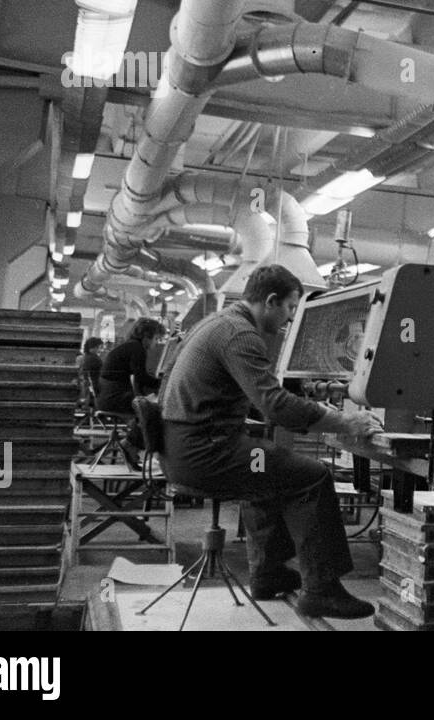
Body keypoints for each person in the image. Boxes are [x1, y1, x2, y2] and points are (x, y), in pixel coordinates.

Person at [160, 264, 383, 620]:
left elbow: (251, 397)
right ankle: (322, 589)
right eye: (291, 307)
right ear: (271, 300)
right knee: (312, 476)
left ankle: (268, 574)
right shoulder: (240, 335)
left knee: (265, 464)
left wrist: (309, 410)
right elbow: (275, 405)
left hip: (184, 449)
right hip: (208, 454)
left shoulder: (216, 323)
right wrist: (345, 420)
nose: (291, 317)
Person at [99, 318, 165, 466]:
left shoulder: (130, 346)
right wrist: (164, 383)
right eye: (156, 339)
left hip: (108, 396)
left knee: (147, 406)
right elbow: (141, 377)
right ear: (146, 337)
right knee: (153, 411)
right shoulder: (137, 348)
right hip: (114, 398)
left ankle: (131, 444)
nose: (156, 344)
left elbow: (137, 380)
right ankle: (131, 445)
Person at [76, 337, 104, 409]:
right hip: (95, 387)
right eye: (98, 347)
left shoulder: (85, 357)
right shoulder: (94, 358)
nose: (99, 350)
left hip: (88, 388)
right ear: (93, 347)